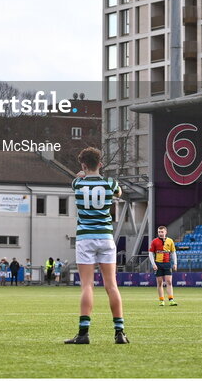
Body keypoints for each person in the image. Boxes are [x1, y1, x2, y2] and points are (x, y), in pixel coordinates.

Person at [64, 147, 127, 345]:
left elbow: (78, 179)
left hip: (85, 238)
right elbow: (119, 191)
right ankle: (120, 333)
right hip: (106, 237)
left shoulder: (77, 183)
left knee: (87, 286)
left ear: (83, 165)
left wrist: (83, 174)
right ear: (100, 164)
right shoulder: (110, 183)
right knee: (112, 285)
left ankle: (83, 334)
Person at [149, 225, 178, 306]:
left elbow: (173, 253)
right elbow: (150, 253)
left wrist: (175, 263)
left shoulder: (170, 241)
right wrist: (153, 264)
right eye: (159, 232)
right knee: (160, 282)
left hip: (167, 264)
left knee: (169, 281)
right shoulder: (154, 241)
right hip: (158, 264)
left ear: (165, 232)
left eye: (162, 232)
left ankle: (171, 299)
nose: (160, 233)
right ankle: (161, 300)